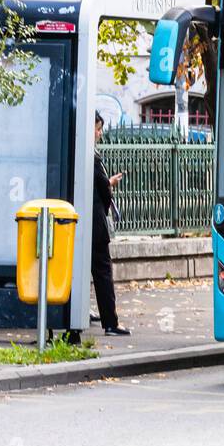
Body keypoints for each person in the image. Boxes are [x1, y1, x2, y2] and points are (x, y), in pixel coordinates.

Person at [93, 112, 129, 335]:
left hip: (83, 223)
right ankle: (110, 322)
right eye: (97, 129)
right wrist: (109, 184)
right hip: (95, 223)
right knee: (103, 271)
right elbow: (103, 189)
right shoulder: (93, 157)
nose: (100, 133)